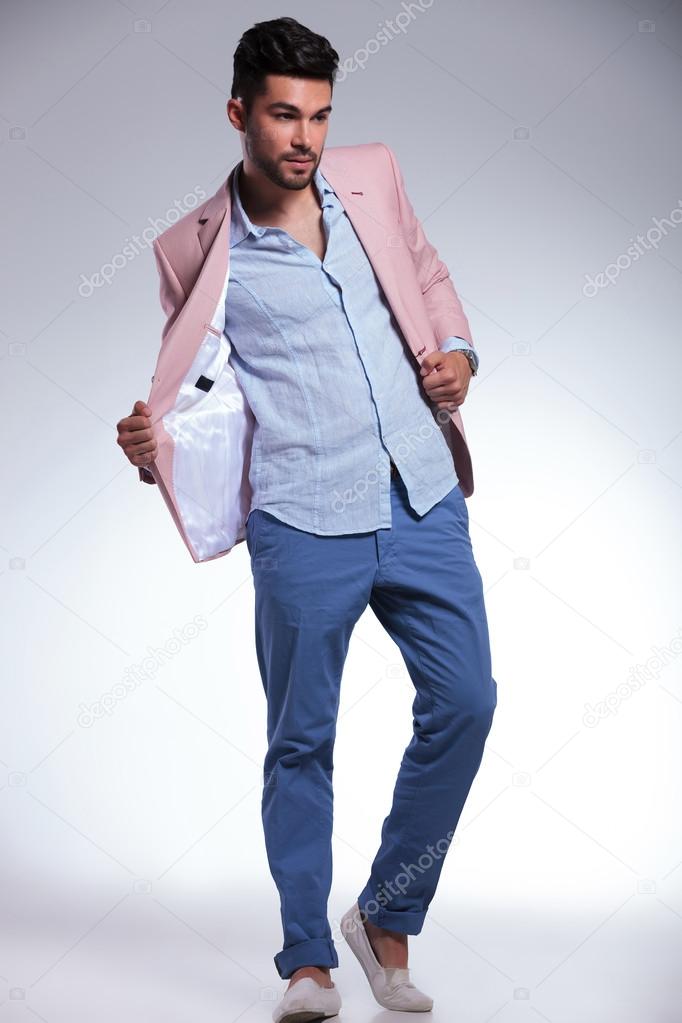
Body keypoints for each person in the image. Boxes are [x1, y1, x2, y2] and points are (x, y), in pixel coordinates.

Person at [117, 16, 497, 1023]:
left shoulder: (372, 175)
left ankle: (383, 917)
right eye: (284, 115)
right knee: (302, 740)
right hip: (300, 515)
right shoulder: (194, 247)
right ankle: (304, 963)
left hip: (419, 493)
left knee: (466, 701)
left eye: (320, 116)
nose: (305, 138)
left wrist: (457, 352)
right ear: (239, 112)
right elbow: (193, 387)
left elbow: (425, 274)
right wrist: (151, 437)